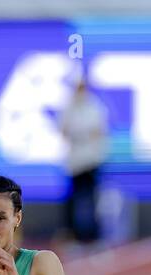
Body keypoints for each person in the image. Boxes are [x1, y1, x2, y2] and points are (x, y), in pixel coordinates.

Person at [58, 75, 109, 245]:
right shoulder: (68, 108)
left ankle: (93, 235)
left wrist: (78, 133)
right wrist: (81, 133)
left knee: (92, 199)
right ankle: (72, 234)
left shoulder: (94, 107)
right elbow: (64, 130)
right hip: (74, 162)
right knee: (73, 199)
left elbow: (97, 132)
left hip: (91, 160)